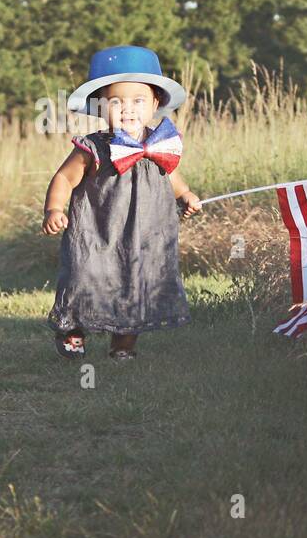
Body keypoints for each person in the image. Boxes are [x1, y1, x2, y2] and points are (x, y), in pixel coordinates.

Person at [42, 45, 201, 360]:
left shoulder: (160, 144)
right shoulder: (93, 148)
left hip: (144, 235)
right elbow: (64, 178)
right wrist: (54, 209)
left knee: (136, 286)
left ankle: (123, 347)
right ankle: (72, 328)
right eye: (116, 102)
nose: (128, 109)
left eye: (138, 101)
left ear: (156, 103)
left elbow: (170, 175)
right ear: (99, 107)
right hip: (96, 233)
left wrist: (185, 195)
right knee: (85, 277)